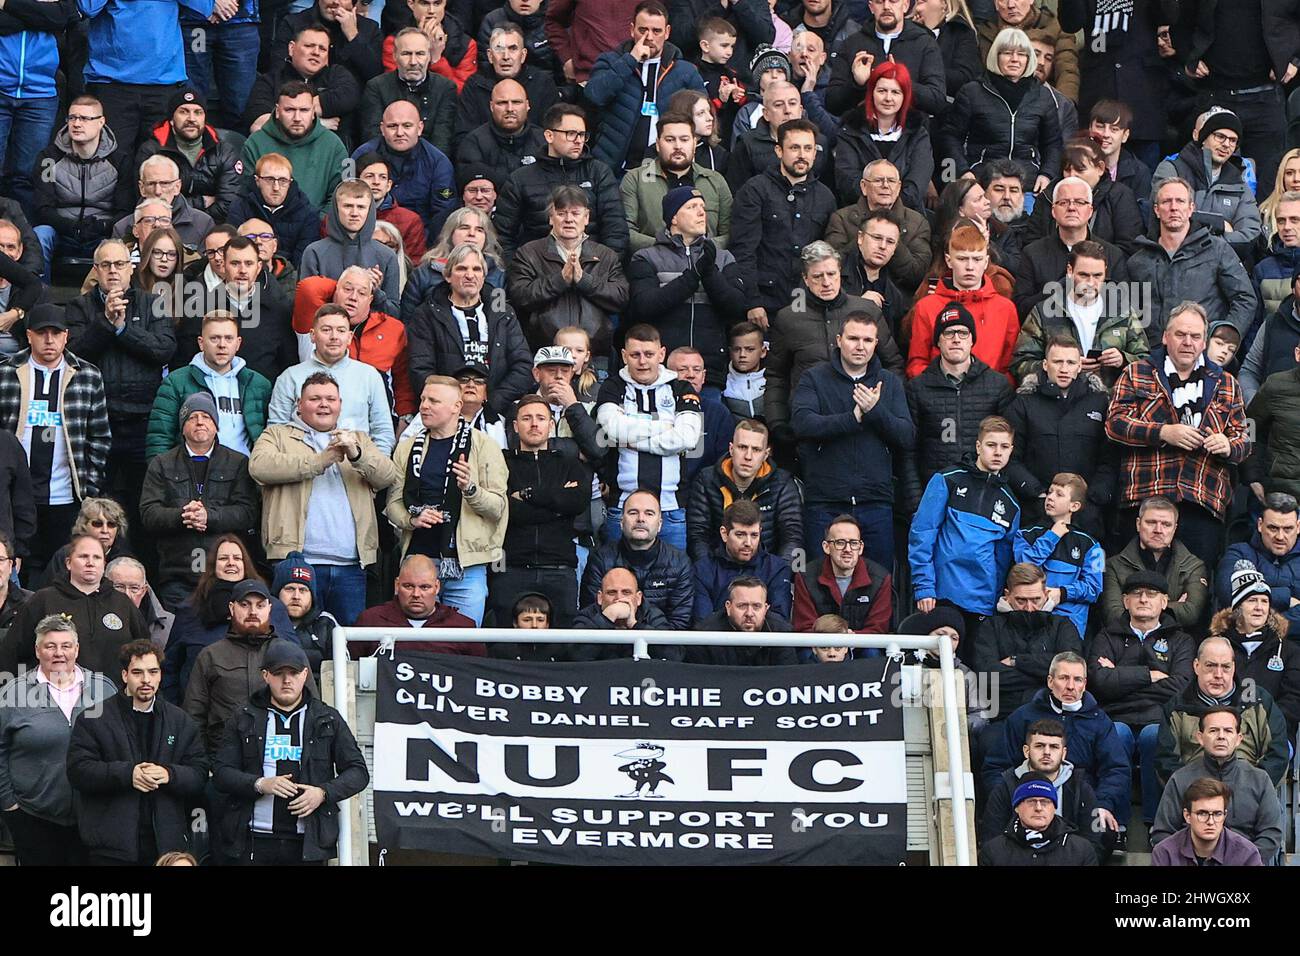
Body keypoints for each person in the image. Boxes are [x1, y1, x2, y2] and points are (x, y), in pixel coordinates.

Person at [1106, 302, 1251, 572]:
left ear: (1204, 341)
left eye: (1195, 336)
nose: (1188, 342)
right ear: (1165, 336)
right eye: (1180, 334)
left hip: (1203, 500)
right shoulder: (1137, 372)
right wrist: (1163, 432)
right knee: (1138, 588)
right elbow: (1114, 424)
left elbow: (1244, 441)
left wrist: (1227, 445)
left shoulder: (1227, 383)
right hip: (1145, 497)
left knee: (1194, 595)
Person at [250, 372, 399, 625]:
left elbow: (386, 476)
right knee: (295, 638)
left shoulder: (358, 439)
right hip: (296, 561)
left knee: (347, 644)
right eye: (315, 398)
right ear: (299, 404)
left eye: (330, 398)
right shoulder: (276, 435)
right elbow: (259, 467)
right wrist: (319, 462)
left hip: (352, 565)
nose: (323, 404)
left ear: (340, 404)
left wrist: (356, 454)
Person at [211, 637, 368, 866]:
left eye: (293, 673)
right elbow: (221, 773)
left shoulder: (327, 718)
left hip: (308, 842)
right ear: (265, 676)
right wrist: (259, 784)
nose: (287, 681)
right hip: (253, 838)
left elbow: (358, 772)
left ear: (305, 675)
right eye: (278, 673)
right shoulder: (243, 716)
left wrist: (322, 793)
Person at [66, 639, 207, 866]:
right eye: (137, 672)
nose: (146, 680)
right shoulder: (94, 718)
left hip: (166, 848)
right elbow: (78, 771)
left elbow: (200, 774)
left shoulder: (180, 721)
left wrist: (170, 774)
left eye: (153, 672)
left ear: (161, 675)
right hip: (111, 848)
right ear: (124, 675)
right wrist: (127, 774)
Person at [792, 311, 912, 569]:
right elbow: (803, 424)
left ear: (876, 344)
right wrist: (853, 418)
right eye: (853, 338)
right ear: (838, 340)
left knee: (878, 583)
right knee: (821, 580)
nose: (860, 346)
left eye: (868, 340)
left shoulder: (889, 382)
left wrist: (875, 412)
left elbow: (906, 436)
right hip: (825, 501)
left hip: (875, 502)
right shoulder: (814, 377)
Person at [386, 376, 508, 627]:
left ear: (456, 406)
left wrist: (470, 488)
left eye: (433, 400)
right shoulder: (407, 447)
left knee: (461, 643)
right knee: (417, 646)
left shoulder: (484, 445)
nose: (424, 406)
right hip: (418, 562)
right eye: (422, 399)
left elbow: (498, 508)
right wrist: (412, 519)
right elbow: (393, 504)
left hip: (466, 565)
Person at [66, 239, 175, 512]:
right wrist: (105, 322)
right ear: (96, 270)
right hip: (98, 422)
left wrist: (123, 330)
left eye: (119, 264)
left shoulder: (154, 303)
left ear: (131, 268)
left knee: (145, 499)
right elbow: (74, 355)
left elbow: (164, 349)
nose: (113, 270)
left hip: (143, 420)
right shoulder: (78, 307)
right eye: (105, 265)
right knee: (97, 502)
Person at [0, 615, 117, 865]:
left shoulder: (105, 689)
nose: (58, 653)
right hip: (34, 818)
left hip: (96, 817)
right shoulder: (14, 693)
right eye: (50, 646)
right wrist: (9, 805)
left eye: (65, 646)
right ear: (37, 650)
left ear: (77, 649)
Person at [1088, 569, 1196, 824]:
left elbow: (1180, 687)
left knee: (1153, 736)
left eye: (1151, 594)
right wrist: (1149, 675)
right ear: (1125, 601)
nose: (1143, 599)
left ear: (1164, 601)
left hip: (1159, 718)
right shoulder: (1106, 636)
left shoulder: (1181, 640)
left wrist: (1120, 677)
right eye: (1136, 594)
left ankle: (1155, 823)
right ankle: (1118, 825)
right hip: (1114, 717)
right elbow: (1098, 683)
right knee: (1117, 734)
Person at [984, 651, 1130, 835]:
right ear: (1050, 682)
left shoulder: (1099, 721)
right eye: (1063, 678)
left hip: (1079, 803)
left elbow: (1115, 769)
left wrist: (1102, 804)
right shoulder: (1022, 716)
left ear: (1085, 684)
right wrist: (1010, 799)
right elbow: (996, 766)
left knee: (1104, 831)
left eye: (1077, 680)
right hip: (1027, 800)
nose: (1070, 686)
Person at [139, 392, 260, 610]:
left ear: (216, 425)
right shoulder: (161, 463)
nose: (200, 422)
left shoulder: (238, 462)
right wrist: (181, 516)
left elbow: (247, 512)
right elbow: (148, 513)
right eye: (192, 417)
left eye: (206, 416)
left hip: (226, 576)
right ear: (182, 426)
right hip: (177, 574)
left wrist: (209, 516)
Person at [909, 415, 1021, 650]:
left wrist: (993, 602)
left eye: (1004, 447)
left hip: (982, 602)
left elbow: (1002, 560)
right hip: (941, 594)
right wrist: (924, 586)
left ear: (1012, 450)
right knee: (936, 667)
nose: (997, 453)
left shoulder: (1011, 503)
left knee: (972, 673)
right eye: (991, 445)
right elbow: (922, 535)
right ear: (978, 446)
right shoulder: (947, 480)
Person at [594, 325, 703, 551]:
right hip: (622, 509)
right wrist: (665, 425)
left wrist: (631, 438)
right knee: (618, 579)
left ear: (661, 354)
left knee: (671, 580)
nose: (642, 361)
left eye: (649, 354)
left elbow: (688, 438)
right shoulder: (613, 386)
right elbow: (613, 430)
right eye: (635, 355)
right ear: (624, 356)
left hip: (670, 509)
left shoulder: (681, 387)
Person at [625, 186, 746, 386]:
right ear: (673, 218)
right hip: (662, 372)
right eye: (692, 207)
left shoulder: (723, 258)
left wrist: (709, 273)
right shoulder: (646, 257)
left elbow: (737, 307)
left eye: (703, 208)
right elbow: (644, 306)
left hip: (708, 370)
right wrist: (693, 276)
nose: (701, 213)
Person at [902, 300, 1013, 511]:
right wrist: (917, 502)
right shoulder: (917, 388)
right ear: (938, 341)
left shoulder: (997, 385)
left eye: (963, 333)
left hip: (983, 496)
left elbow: (1010, 448)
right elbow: (908, 452)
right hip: (934, 495)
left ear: (972, 340)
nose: (956, 339)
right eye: (948, 333)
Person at [491, 393, 589, 628]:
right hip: (510, 567)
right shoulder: (500, 462)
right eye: (526, 418)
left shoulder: (569, 463)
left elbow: (578, 503)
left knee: (562, 643)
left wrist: (527, 495)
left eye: (540, 418)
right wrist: (557, 506)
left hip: (560, 567)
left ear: (551, 424)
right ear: (515, 426)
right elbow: (505, 511)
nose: (534, 424)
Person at [0, 529, 150, 681]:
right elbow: (12, 653)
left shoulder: (123, 603)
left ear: (104, 564)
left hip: (114, 699)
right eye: (83, 556)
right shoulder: (43, 600)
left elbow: (144, 654)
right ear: (68, 563)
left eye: (97, 557)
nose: (90, 563)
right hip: (51, 698)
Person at [729, 119, 835, 330]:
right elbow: (743, 249)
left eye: (808, 148)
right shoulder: (755, 189)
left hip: (807, 301)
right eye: (794, 148)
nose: (802, 155)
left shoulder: (826, 197)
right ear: (779, 150)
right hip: (764, 300)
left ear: (815, 153)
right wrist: (753, 301)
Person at [1125, 178, 1256, 345]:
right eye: (1166, 201)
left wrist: (1221, 341)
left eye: (1180, 201)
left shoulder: (1217, 250)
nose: (1173, 207)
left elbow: (1245, 299)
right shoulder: (1138, 262)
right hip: (1153, 358)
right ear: (1156, 210)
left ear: (1191, 208)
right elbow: (1130, 315)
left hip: (1203, 355)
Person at [494, 102, 629, 259]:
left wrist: (601, 271)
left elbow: (616, 232)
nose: (579, 141)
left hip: (592, 269)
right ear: (549, 136)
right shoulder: (520, 179)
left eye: (582, 134)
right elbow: (503, 237)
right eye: (571, 133)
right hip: (538, 271)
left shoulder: (599, 173)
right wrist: (521, 273)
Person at [1150, 707, 1283, 864]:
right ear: (1200, 737)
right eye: (1213, 730)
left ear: (1239, 738)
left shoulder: (1260, 779)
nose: (1221, 736)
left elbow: (1271, 833)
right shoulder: (1180, 779)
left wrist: (1245, 859)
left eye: (1228, 731)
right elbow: (1163, 832)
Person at [1155, 636, 1290, 788]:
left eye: (1225, 667)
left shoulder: (1259, 701)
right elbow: (1166, 762)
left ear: (1233, 667)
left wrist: (1252, 789)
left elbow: (1277, 755)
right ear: (1196, 666)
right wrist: (1198, 795)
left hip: (1249, 792)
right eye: (1210, 666)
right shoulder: (1177, 707)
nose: (1218, 674)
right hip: (1196, 796)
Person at [938, 28, 1062, 194]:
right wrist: (962, 171)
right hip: (982, 183)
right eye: (1007, 53)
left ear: (1028, 59)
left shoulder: (1043, 96)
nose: (1015, 59)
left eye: (1022, 54)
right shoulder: (972, 92)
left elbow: (1053, 143)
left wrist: (1047, 174)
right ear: (996, 56)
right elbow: (950, 136)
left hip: (1028, 185)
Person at [508, 186, 630, 353]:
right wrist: (560, 280)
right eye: (561, 213)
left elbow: (621, 297)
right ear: (551, 218)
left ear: (586, 217)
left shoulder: (605, 255)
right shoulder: (529, 253)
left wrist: (584, 280)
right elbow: (519, 296)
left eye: (575, 213)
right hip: (545, 350)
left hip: (595, 352)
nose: (569, 219)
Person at [1010, 245, 1148, 391]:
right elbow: (1020, 363)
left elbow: (1145, 360)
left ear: (1105, 272)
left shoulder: (1122, 311)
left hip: (1110, 402)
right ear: (1070, 271)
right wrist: (1062, 366)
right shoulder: (1045, 311)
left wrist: (1123, 359)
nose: (1090, 282)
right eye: (1083, 275)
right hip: (1059, 402)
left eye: (1097, 275)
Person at [290, 268, 417, 424]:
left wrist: (404, 419)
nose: (353, 297)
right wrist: (356, 278)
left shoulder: (392, 328)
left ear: (371, 299)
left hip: (373, 425)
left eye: (362, 293)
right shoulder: (317, 322)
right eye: (347, 289)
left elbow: (403, 383)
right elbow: (308, 288)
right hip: (317, 422)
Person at [269, 305, 397, 455]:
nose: (334, 336)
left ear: (349, 337)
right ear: (312, 335)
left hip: (356, 468)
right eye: (326, 330)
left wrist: (373, 470)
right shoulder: (290, 377)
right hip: (304, 468)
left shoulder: (369, 375)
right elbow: (276, 431)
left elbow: (383, 431)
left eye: (341, 331)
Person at [146, 311, 273, 459]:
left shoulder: (258, 385)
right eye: (214, 338)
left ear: (238, 343)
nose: (222, 345)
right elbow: (159, 438)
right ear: (201, 343)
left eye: (228, 338)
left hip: (245, 475)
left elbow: (270, 439)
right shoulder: (176, 382)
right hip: (192, 474)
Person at [980, 718, 1110, 858]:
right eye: (1040, 746)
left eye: (1054, 747)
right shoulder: (1006, 787)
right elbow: (991, 840)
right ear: (1026, 750)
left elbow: (1094, 842)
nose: (1047, 752)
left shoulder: (1081, 788)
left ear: (1064, 753)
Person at [906, 226, 1019, 380]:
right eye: (962, 259)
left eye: (977, 259)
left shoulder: (1005, 308)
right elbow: (917, 363)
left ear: (986, 262)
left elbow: (1010, 366)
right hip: (940, 397)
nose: (970, 267)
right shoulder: (927, 306)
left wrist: (997, 393)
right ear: (948, 260)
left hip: (992, 397)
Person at [973, 563, 1082, 720]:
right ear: (1007, 595)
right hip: (1002, 716)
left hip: (1054, 715)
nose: (1029, 608)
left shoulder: (1062, 625)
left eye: (1036, 599)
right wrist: (1046, 675)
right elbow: (987, 677)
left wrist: (1016, 661)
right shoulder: (990, 626)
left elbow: (1071, 668)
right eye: (1021, 600)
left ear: (1046, 594)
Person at [687, 419, 803, 564]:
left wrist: (778, 576)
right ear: (731, 449)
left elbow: (793, 538)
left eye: (756, 450)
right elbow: (697, 536)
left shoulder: (783, 483)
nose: (748, 456)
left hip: (767, 570)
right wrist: (710, 573)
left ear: (766, 454)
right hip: (718, 569)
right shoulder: (706, 479)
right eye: (742, 447)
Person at [1012, 178, 1129, 320]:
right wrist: (1060, 288)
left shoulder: (1112, 254)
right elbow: (1020, 308)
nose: (1071, 208)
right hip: (1049, 335)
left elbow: (1124, 308)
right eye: (1064, 202)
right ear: (1053, 211)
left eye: (1080, 202)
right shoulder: (1032, 254)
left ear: (1090, 210)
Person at [1151, 112, 1261, 263]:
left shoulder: (1239, 184)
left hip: (1222, 266)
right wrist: (1220, 224)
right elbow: (1168, 216)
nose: (1226, 144)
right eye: (1220, 136)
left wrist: (1204, 242)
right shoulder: (1171, 170)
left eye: (1233, 140)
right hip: (1173, 261)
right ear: (1203, 138)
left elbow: (1249, 236)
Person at [580, 489, 694, 630]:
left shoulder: (679, 562)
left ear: (659, 524)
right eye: (633, 512)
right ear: (621, 522)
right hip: (608, 646)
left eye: (649, 513)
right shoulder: (601, 559)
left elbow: (679, 625)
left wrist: (637, 627)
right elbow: (590, 618)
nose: (641, 519)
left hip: (659, 647)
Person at [31, 96, 125, 265]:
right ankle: (38, 290)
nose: (76, 124)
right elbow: (43, 207)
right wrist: (71, 227)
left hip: (103, 232)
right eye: (72, 118)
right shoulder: (49, 159)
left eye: (85, 118)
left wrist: (102, 226)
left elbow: (125, 210)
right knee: (40, 235)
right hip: (61, 230)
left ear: (101, 121)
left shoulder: (121, 160)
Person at [1210, 564, 1300, 738]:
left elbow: (1293, 701)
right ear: (1236, 608)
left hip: (1272, 735)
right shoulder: (1215, 646)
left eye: (1264, 601)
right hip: (1221, 734)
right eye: (1252, 600)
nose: (1259, 607)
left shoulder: (1289, 652)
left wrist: (1262, 726)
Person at [621, 115, 732, 254]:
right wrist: (664, 246)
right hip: (654, 265)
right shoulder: (635, 179)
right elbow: (625, 231)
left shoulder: (715, 181)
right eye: (670, 140)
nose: (678, 146)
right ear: (657, 144)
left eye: (684, 139)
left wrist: (703, 248)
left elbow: (731, 232)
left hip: (708, 264)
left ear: (694, 143)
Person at [1012, 472, 1104, 637]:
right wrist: (1051, 537)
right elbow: (1023, 568)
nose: (1050, 497)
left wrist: (1062, 593)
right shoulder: (1025, 534)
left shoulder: (1093, 545)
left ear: (1074, 506)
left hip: (1069, 627)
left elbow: (1095, 589)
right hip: (1030, 621)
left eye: (1059, 494)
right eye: (1049, 492)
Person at [133, 88, 244, 223]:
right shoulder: (151, 151)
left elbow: (228, 205)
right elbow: (150, 202)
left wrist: (197, 222)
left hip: (213, 228)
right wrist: (201, 202)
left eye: (198, 113)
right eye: (183, 112)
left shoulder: (224, 151)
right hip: (162, 225)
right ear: (171, 120)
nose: (191, 119)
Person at [833, 61, 933, 210]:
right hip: (859, 215)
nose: (888, 98)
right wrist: (878, 204)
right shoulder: (851, 130)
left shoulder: (918, 133)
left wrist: (888, 207)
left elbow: (916, 187)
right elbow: (847, 181)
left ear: (905, 96)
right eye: (882, 91)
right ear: (871, 92)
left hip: (906, 218)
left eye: (895, 92)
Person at [1101, 496, 1210, 631]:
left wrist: (1138, 608)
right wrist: (1171, 607)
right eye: (1151, 522)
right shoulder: (1114, 565)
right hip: (1125, 644)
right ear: (1138, 524)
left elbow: (1191, 613)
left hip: (1175, 644)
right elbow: (1113, 615)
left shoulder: (1193, 566)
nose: (1158, 530)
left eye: (1166, 524)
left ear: (1175, 528)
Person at [350, 100, 456, 239]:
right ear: (382, 129)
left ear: (419, 128)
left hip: (420, 239)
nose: (400, 133)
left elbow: (443, 214)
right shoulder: (361, 155)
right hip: (367, 235)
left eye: (407, 126)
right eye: (392, 126)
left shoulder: (438, 162)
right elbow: (348, 199)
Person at [823, 159, 931, 294]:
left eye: (891, 181)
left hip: (898, 304)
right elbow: (830, 267)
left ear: (898, 187)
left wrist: (892, 239)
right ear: (863, 186)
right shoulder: (841, 218)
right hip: (851, 298)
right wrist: (866, 237)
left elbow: (917, 275)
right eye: (878, 180)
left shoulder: (918, 222)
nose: (885, 186)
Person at [824, 0, 947, 118]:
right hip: (860, 133)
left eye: (893, 1)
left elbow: (937, 101)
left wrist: (900, 82)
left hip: (911, 134)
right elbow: (832, 104)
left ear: (906, 5)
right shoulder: (852, 44)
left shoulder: (924, 43)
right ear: (871, 7)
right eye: (879, 1)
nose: (886, 6)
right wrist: (857, 84)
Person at [241, 82, 350, 214]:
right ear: (277, 111)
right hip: (264, 230)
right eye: (289, 110)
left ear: (313, 112)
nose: (297, 118)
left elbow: (343, 195)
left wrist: (315, 224)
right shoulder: (255, 143)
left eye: (304, 110)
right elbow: (246, 195)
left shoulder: (334, 145)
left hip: (317, 229)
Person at [352, 555, 485, 656]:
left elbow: (480, 678)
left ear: (437, 587)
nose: (416, 594)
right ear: (397, 585)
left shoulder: (462, 627)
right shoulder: (371, 620)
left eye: (424, 587)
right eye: (408, 586)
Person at [300, 180, 402, 311]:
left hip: (371, 330)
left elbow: (394, 314)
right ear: (336, 209)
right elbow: (306, 308)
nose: (354, 213)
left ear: (369, 210)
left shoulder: (387, 256)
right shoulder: (314, 252)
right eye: (348, 206)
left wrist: (375, 292)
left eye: (361, 207)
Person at [244, 26, 361, 138]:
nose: (316, 52)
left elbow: (349, 95)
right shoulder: (268, 82)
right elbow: (259, 125)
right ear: (291, 48)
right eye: (309, 46)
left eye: (322, 49)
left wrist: (287, 115)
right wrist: (318, 124)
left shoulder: (337, 74)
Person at [360, 28, 458, 153]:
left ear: (429, 56)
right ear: (395, 55)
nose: (413, 62)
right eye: (406, 54)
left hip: (430, 163)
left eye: (420, 54)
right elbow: (373, 137)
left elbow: (442, 139)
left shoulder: (445, 88)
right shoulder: (376, 87)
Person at [693, 500, 793, 621]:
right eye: (740, 535)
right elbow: (703, 623)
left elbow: (780, 621)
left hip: (763, 639)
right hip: (718, 639)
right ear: (724, 534)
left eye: (754, 535)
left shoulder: (777, 568)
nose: (748, 543)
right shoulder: (703, 570)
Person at [792, 514, 893, 634]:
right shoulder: (805, 577)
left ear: (861, 548)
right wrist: (834, 641)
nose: (848, 549)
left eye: (854, 543)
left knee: (871, 653)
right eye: (840, 543)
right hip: (819, 646)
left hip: (863, 646)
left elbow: (878, 629)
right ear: (826, 547)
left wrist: (851, 638)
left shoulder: (881, 578)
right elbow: (804, 627)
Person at [1215, 493, 1300, 632]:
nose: (1280, 536)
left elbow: (1242, 602)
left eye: (1288, 529)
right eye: (1273, 528)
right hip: (1243, 643)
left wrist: (1258, 622)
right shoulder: (1239, 552)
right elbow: (1228, 594)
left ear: (1298, 527)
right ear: (1260, 525)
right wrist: (1286, 598)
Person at [977, 771, 1100, 866]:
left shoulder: (1081, 849)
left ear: (1054, 807)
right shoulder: (994, 851)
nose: (1039, 808)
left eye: (1045, 802)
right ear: (1017, 807)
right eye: (1031, 801)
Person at [727, 80, 832, 191]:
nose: (787, 110)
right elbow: (738, 192)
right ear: (766, 113)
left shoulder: (820, 141)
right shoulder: (747, 144)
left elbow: (829, 189)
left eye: (792, 103)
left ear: (801, 110)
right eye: (779, 105)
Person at [454, 78, 547, 199]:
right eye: (502, 103)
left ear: (527, 105)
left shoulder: (544, 142)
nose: (509, 108)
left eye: (516, 102)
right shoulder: (474, 142)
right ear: (491, 106)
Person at [224, 153, 322, 269]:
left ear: (290, 182)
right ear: (257, 181)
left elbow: (302, 260)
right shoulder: (240, 206)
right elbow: (233, 250)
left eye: (283, 181)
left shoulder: (307, 213)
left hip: (289, 276)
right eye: (269, 180)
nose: (276, 187)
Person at [565, 567, 683, 661]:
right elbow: (575, 656)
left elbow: (674, 656)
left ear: (638, 598)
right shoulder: (587, 616)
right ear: (600, 598)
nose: (619, 599)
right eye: (612, 592)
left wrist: (635, 625)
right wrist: (606, 619)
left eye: (626, 592)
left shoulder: (651, 614)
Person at [1151, 776, 1264, 867]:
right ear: (1187, 816)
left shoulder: (1246, 853)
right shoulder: (1165, 853)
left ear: (1224, 816)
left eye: (1217, 814)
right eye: (1202, 813)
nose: (1211, 821)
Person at [688, 576, 798, 664]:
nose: (749, 613)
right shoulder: (705, 636)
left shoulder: (782, 634)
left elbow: (787, 680)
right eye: (742, 606)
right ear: (728, 607)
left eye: (756, 606)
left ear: (766, 609)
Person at [355, 153, 428, 262]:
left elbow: (413, 264)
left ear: (389, 185)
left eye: (382, 177)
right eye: (369, 176)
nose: (376, 182)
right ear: (356, 182)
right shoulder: (339, 217)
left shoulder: (410, 221)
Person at [271, 553, 333, 677]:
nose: (296, 596)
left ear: (312, 596)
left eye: (303, 590)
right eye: (289, 589)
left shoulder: (326, 622)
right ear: (277, 593)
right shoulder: (264, 622)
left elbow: (343, 668)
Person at [106, 556, 175, 650]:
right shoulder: (88, 617)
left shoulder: (168, 624)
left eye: (134, 588)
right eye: (119, 587)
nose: (127, 594)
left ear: (143, 591)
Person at [721, 322, 767, 420]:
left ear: (763, 351)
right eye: (737, 349)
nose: (742, 354)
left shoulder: (774, 379)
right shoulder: (722, 382)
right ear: (730, 351)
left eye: (749, 349)